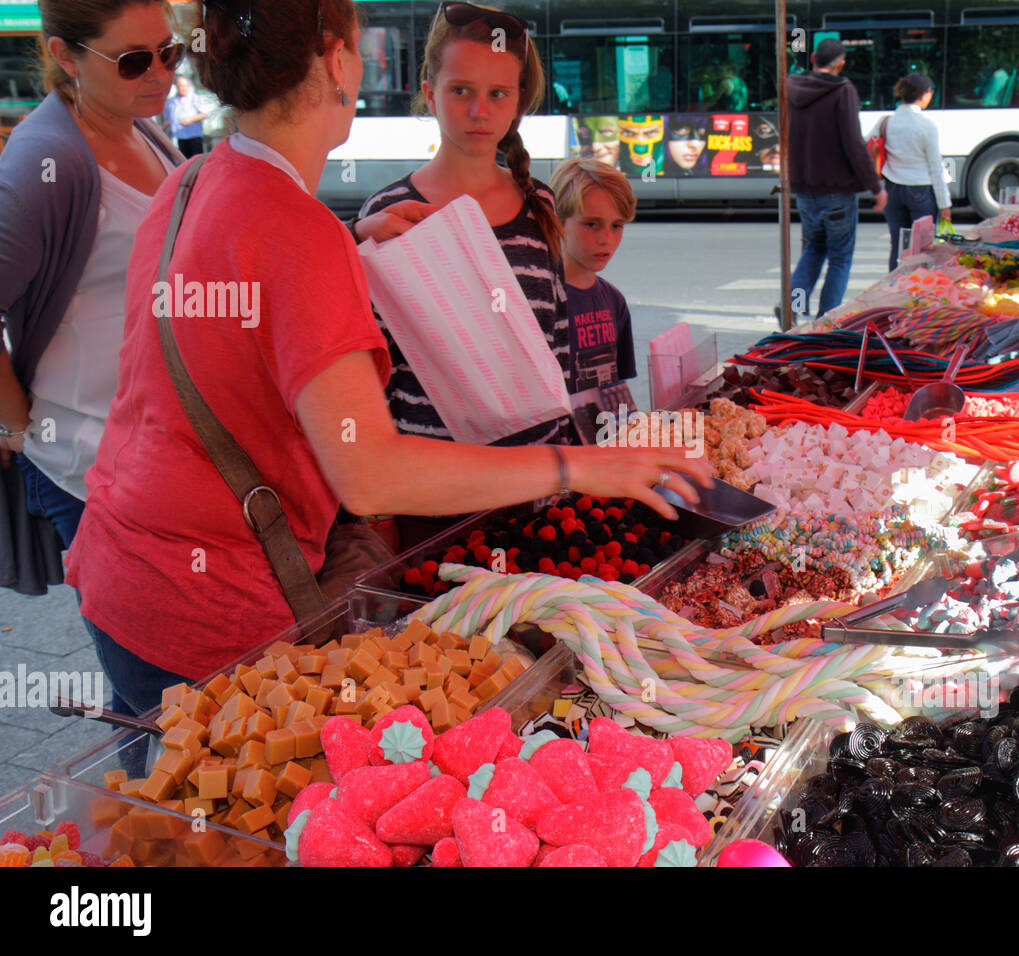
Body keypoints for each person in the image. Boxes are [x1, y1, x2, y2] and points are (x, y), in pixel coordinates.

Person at [65, 0, 709, 718]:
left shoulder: (187, 183)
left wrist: (349, 248)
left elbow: (233, 318)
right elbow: (371, 475)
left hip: (119, 570)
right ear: (336, 60)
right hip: (211, 611)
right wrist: (582, 466)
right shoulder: (298, 231)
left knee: (147, 777)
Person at [0, 0, 184, 596]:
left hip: (152, 456)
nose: (161, 73)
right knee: (142, 647)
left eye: (170, 52)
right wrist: (18, 425)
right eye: (133, 60)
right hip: (88, 464)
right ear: (65, 56)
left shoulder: (138, 125)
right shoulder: (45, 161)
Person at [356, 3, 578, 448]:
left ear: (518, 101)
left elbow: (557, 341)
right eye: (460, 90)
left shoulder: (540, 202)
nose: (479, 111)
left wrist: (568, 459)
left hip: (538, 471)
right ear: (430, 93)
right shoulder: (389, 213)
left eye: (498, 93)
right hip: (434, 475)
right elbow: (372, 363)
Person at [785, 37, 885, 319]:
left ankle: (794, 307)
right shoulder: (842, 91)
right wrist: (876, 187)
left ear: (813, 58)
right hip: (837, 190)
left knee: (813, 249)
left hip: (805, 188)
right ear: (841, 65)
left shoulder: (792, 87)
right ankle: (827, 319)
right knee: (840, 258)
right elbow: (854, 143)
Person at [550, 158, 637, 436]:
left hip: (606, 444)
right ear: (558, 221)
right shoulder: (542, 302)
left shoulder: (614, 301)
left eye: (617, 226)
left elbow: (617, 389)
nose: (605, 239)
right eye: (591, 224)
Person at [868, 73, 951, 272]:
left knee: (898, 246)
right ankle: (918, 287)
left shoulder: (886, 122)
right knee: (922, 249)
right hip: (921, 192)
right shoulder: (926, 126)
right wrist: (945, 205)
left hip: (893, 190)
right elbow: (936, 168)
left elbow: (866, 145)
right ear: (923, 94)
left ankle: (894, 285)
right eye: (930, 92)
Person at [163, 74, 207, 157]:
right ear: (177, 86)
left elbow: (204, 114)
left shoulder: (194, 98)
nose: (184, 88)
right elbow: (168, 119)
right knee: (185, 161)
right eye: (181, 86)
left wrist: (190, 120)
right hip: (180, 137)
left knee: (197, 161)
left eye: (185, 86)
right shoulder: (171, 102)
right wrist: (161, 129)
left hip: (194, 136)